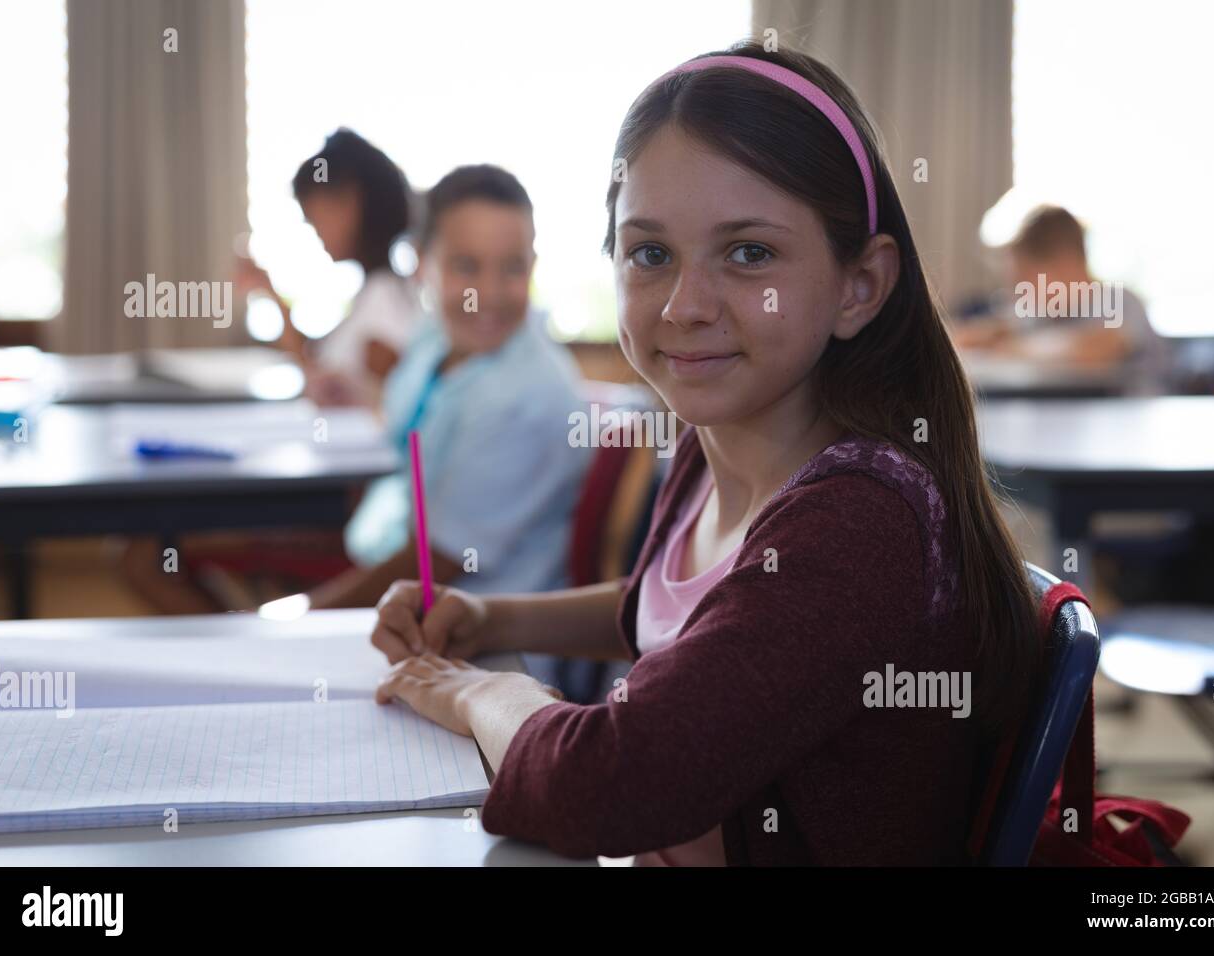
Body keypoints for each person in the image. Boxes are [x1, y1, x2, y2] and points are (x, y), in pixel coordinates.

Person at [366, 42, 1042, 865]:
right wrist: (490, 618)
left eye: (749, 253)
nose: (686, 306)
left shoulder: (857, 523)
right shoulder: (709, 439)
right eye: (650, 254)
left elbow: (611, 788)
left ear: (860, 285)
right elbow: (667, 609)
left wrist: (481, 690)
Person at [305, 165, 591, 623]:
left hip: (473, 644)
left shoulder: (524, 398)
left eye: (512, 267)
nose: (491, 294)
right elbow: (419, 424)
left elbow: (430, 566)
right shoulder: (436, 339)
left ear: (533, 266)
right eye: (466, 265)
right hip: (400, 583)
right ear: (421, 263)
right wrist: (364, 399)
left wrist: (296, 617)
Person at [236, 128, 422, 407]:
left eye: (314, 216)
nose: (314, 230)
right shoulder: (375, 293)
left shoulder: (384, 301)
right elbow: (314, 362)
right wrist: (269, 292)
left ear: (350, 203)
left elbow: (366, 406)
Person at [954, 204, 1169, 394]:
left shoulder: (1119, 302)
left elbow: (1097, 351)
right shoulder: (1045, 316)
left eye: (1024, 278)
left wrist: (1011, 348)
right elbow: (980, 335)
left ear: (1065, 265)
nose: (1017, 293)